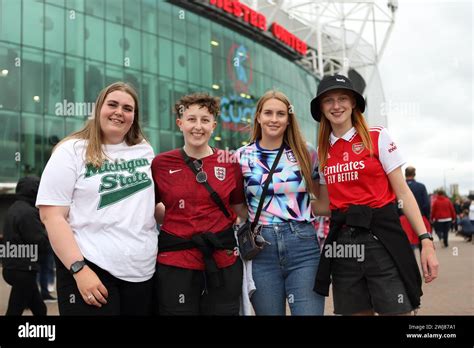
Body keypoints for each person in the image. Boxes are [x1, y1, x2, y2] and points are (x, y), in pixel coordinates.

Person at [310, 74, 439, 315]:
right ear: (321, 107)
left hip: (381, 239)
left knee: (397, 312)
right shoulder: (322, 151)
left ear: (354, 103)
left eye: (342, 99)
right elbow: (326, 205)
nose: (336, 106)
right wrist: (285, 203)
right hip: (343, 245)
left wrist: (425, 240)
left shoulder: (377, 136)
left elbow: (403, 193)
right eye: (328, 100)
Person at [36, 82, 158, 315]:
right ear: (98, 108)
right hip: (91, 268)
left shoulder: (144, 149)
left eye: (127, 108)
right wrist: (79, 270)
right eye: (112, 104)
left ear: (134, 116)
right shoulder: (71, 150)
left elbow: (151, 205)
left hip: (143, 271)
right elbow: (51, 216)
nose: (119, 112)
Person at [151, 93, 247, 315]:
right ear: (180, 123)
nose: (198, 126)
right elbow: (150, 207)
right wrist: (179, 221)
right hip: (176, 263)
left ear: (214, 125)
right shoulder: (161, 163)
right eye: (191, 119)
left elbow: (238, 208)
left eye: (205, 120)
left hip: (222, 262)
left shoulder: (230, 162)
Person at [235, 90, 325, 315]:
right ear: (258, 117)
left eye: (280, 114)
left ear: (288, 119)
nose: (274, 119)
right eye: (268, 113)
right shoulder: (241, 156)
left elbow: (324, 203)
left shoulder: (307, 152)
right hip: (261, 248)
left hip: (303, 245)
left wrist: (298, 211)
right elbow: (237, 204)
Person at [2, 176, 49, 315]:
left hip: (12, 267)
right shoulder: (28, 212)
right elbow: (39, 241)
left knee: (40, 309)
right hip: (23, 270)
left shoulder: (13, 209)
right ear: (34, 191)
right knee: (14, 311)